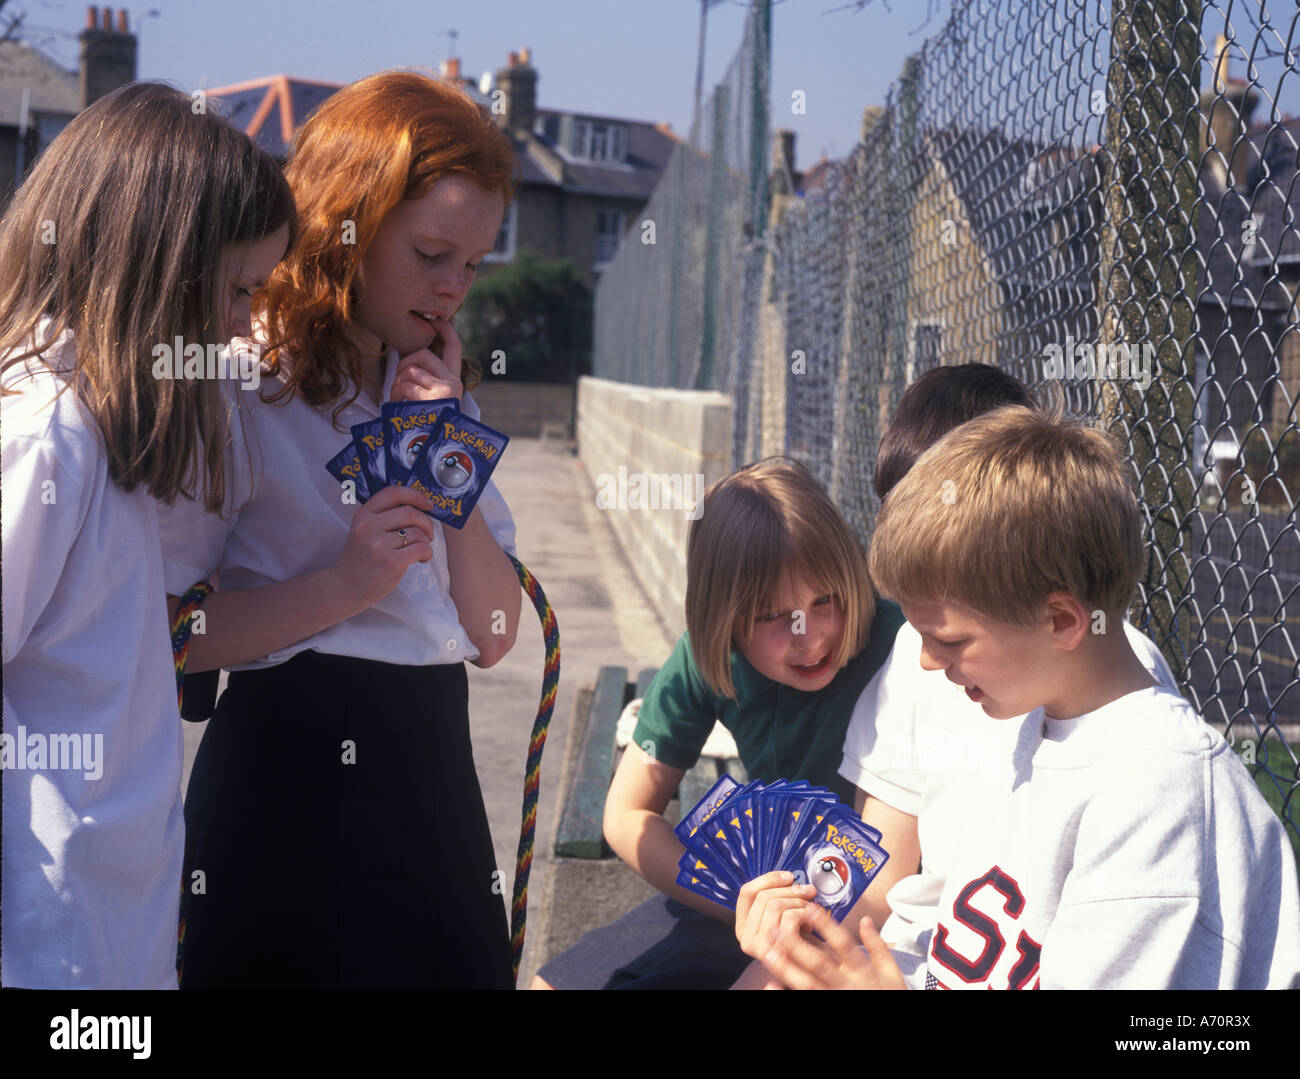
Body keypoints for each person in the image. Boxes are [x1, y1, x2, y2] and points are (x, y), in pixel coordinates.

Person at [158, 71, 522, 989]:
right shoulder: (241, 375)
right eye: (432, 252)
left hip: (435, 772)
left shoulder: (435, 379)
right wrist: (344, 588)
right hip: (286, 775)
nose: (452, 290)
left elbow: (492, 637)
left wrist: (455, 474)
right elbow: (168, 633)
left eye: (473, 266)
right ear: (344, 223)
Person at [740, 406, 1300, 988]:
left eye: (949, 639)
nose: (928, 661)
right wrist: (813, 955)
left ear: (1061, 620)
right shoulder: (1029, 727)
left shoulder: (1158, 795)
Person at [1, 83, 294, 988]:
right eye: (239, 290)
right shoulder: (43, 436)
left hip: (105, 921)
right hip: (44, 938)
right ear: (153, 269)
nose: (249, 323)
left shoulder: (99, 430)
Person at [532, 458, 905, 989]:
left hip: (868, 908)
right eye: (772, 616)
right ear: (721, 620)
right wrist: (737, 903)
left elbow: (895, 871)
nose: (811, 635)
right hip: (758, 895)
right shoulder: (708, 657)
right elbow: (626, 812)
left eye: (826, 599)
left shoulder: (902, 648)